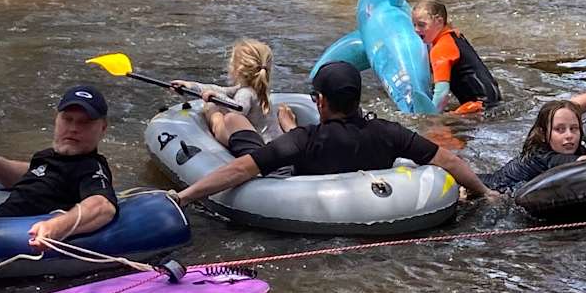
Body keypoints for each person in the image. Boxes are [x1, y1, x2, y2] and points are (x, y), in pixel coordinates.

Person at [167, 59, 487, 208]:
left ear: (320, 101)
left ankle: (208, 107)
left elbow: (239, 170)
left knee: (236, 124)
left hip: (295, 187)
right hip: (379, 201)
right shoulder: (389, 132)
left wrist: (182, 197)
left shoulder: (304, 140)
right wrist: (486, 193)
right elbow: (450, 162)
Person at [0, 85, 122, 250]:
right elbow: (36, 177)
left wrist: (56, 227)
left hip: (13, 238)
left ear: (103, 128)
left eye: (84, 122)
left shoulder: (91, 167)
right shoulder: (46, 156)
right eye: (67, 119)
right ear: (56, 119)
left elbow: (102, 206)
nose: (73, 129)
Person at [174, 40, 290, 152]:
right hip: (277, 146)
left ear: (236, 69)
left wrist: (217, 99)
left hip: (261, 149)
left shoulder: (246, 93)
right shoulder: (256, 90)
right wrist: (190, 86)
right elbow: (219, 89)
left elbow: (239, 110)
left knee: (212, 109)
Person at [410, 0, 502, 113]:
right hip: (494, 100)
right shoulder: (454, 35)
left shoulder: (441, 49)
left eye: (421, 25)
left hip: (478, 108)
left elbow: (442, 94)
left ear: (439, 21)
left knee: (438, 124)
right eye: (414, 25)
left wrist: (430, 119)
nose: (416, 30)